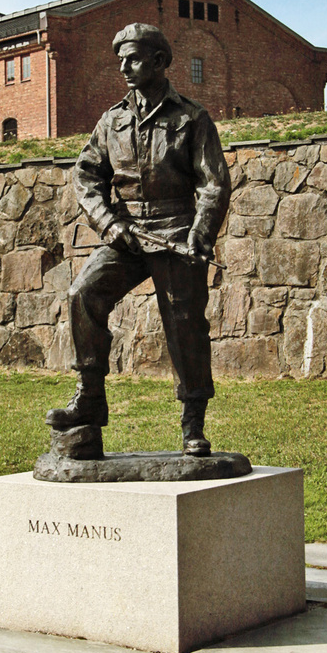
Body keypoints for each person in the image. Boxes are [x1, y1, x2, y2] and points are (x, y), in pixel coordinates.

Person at [46, 23, 231, 456]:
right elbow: (86, 175)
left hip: (176, 233)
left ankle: (193, 424)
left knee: (184, 325)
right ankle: (89, 399)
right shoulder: (112, 120)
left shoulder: (191, 118)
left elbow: (213, 183)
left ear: (159, 61)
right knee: (82, 294)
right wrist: (108, 223)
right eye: (121, 60)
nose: (124, 68)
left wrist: (200, 235)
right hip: (127, 234)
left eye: (133, 59)